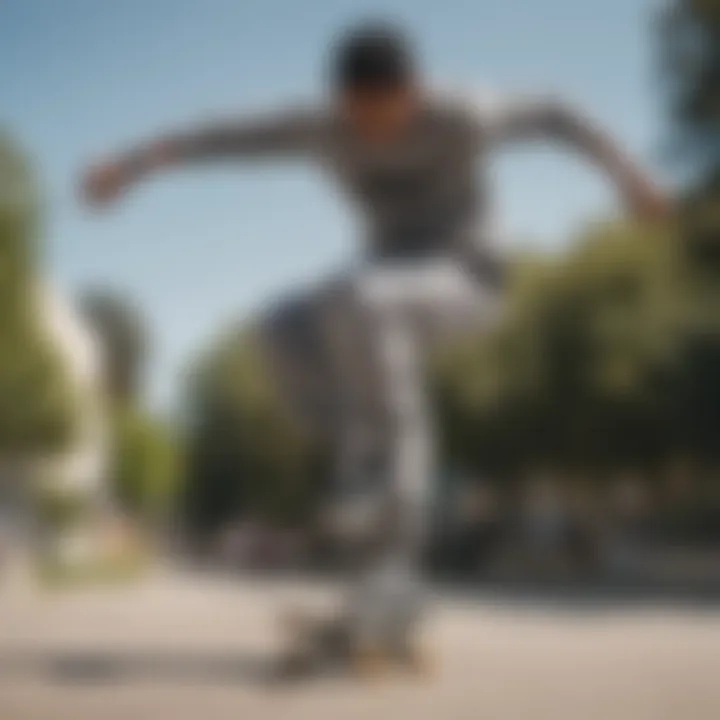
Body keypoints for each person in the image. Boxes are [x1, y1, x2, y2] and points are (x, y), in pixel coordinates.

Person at [81, 22, 668, 669]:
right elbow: (220, 138)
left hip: (469, 277)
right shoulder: (321, 125)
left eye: (384, 116)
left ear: (412, 93)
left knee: (364, 300)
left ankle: (391, 500)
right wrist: (130, 167)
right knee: (280, 328)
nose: (372, 131)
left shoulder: (463, 113)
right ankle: (362, 474)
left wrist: (628, 176)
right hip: (383, 280)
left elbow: (558, 113)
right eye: (358, 118)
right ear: (341, 103)